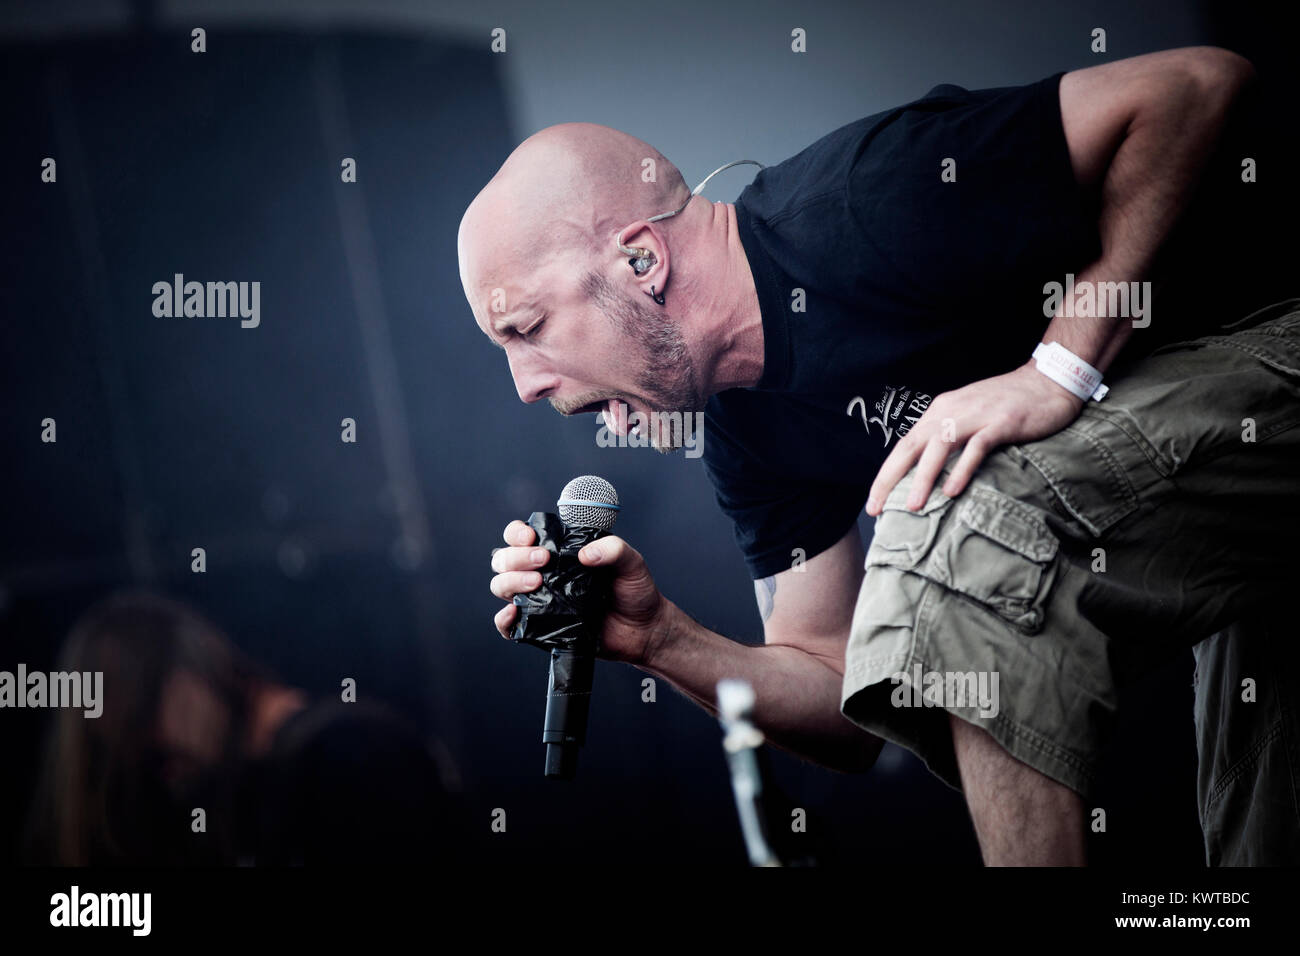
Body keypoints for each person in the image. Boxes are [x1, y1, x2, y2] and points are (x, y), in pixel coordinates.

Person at [458, 46, 1299, 864]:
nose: (524, 386)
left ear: (641, 257)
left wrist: (1058, 369)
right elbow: (842, 696)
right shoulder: (749, 433)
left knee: (960, 512)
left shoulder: (867, 199)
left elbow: (1194, 86)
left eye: (525, 329)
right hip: (1220, 515)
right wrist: (662, 641)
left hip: (1270, 351)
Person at [24, 592, 461, 865]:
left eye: (141, 726)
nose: (156, 762)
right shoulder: (254, 790)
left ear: (183, 680)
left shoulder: (347, 752)